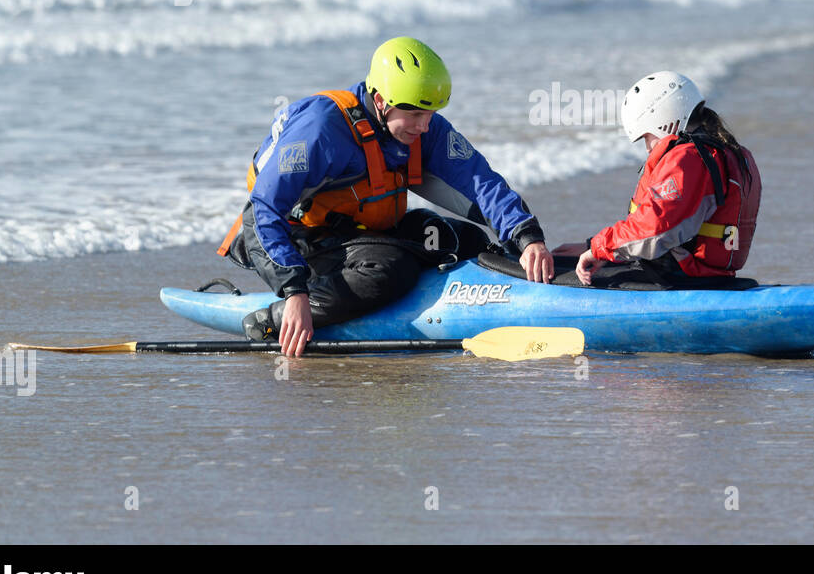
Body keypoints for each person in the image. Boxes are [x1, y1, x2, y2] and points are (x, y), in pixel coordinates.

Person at [217, 36, 554, 355]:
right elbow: (263, 211)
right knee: (394, 269)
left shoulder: (424, 127)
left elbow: (479, 179)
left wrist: (526, 236)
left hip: (357, 233)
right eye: (416, 115)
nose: (425, 126)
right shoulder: (320, 132)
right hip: (287, 238)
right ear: (381, 101)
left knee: (459, 239)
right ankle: (271, 318)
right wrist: (293, 291)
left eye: (431, 114)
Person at [573, 71, 760, 287]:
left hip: (679, 276)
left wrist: (599, 248)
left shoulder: (689, 159)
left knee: (566, 267)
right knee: (567, 256)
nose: (647, 147)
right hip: (709, 275)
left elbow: (656, 228)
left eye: (645, 137)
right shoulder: (729, 152)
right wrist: (590, 245)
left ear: (661, 120)